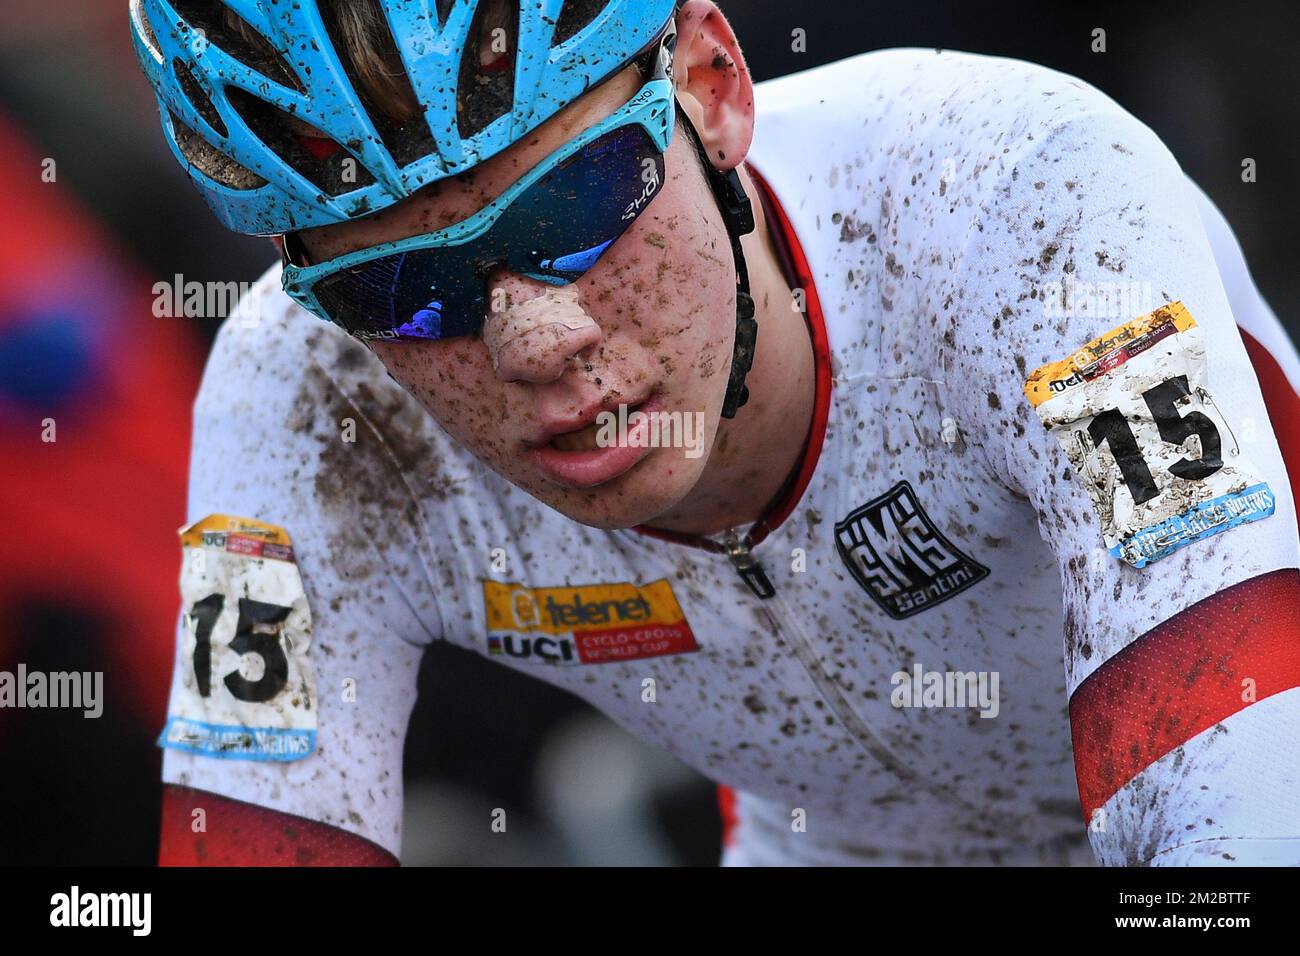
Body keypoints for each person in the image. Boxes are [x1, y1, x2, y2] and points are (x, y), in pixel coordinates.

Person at [133, 0, 1300, 866]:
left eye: (575, 205)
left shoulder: (1011, 199)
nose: (536, 343)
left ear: (711, 87)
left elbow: (1234, 821)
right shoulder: (307, 408)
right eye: (403, 290)